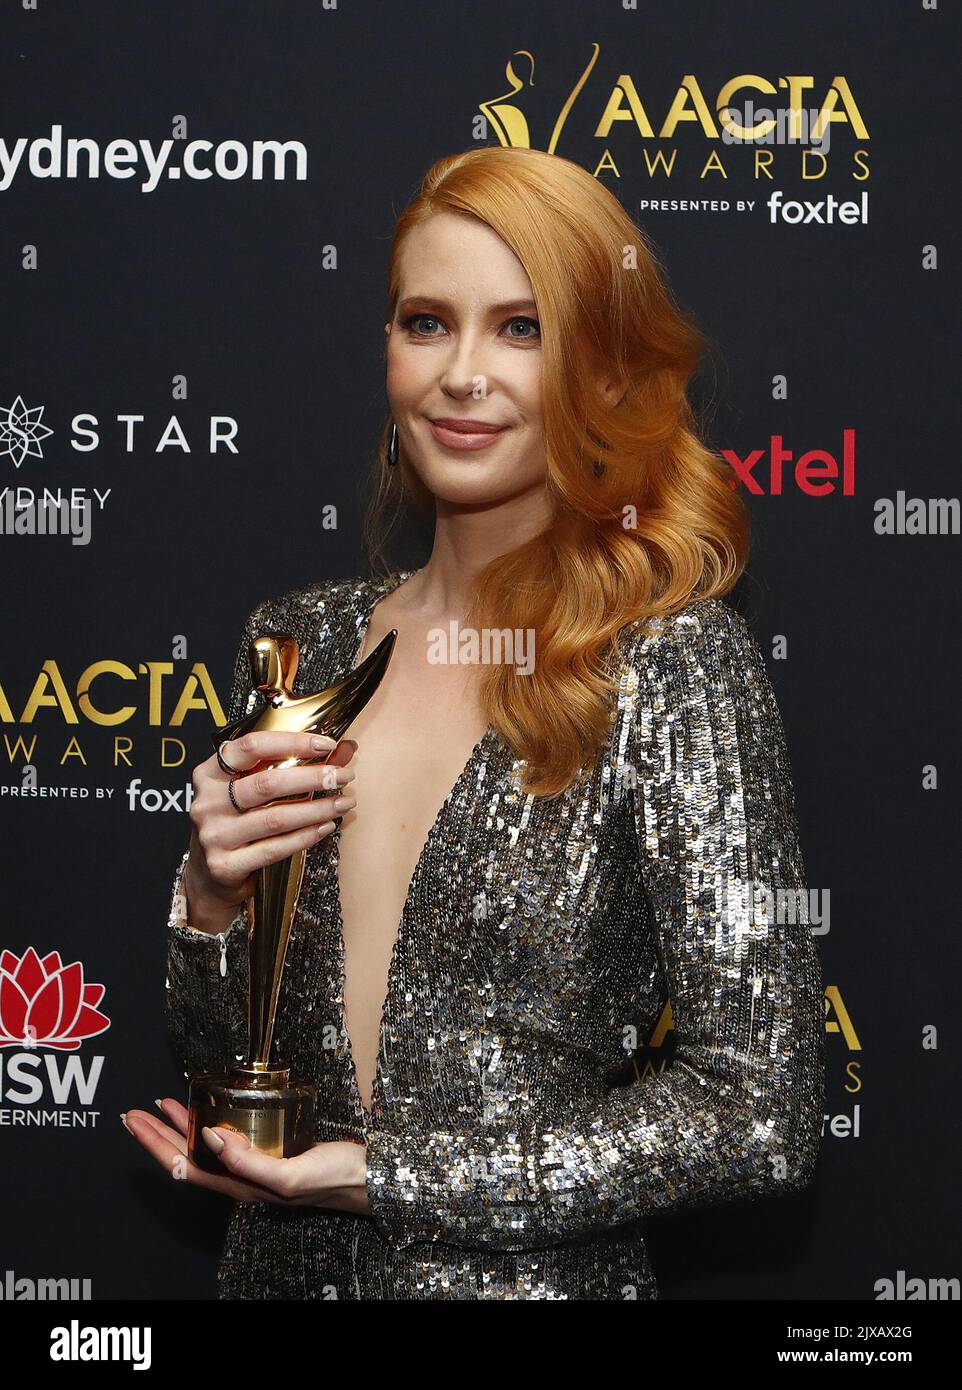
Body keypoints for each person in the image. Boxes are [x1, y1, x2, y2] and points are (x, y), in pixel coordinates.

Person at [123, 146, 825, 1301]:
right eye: (424, 321)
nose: (460, 375)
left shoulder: (671, 665)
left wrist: (384, 1176)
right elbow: (230, 1075)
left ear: (597, 365)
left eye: (519, 328)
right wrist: (206, 898)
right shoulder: (296, 634)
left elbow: (758, 1112)